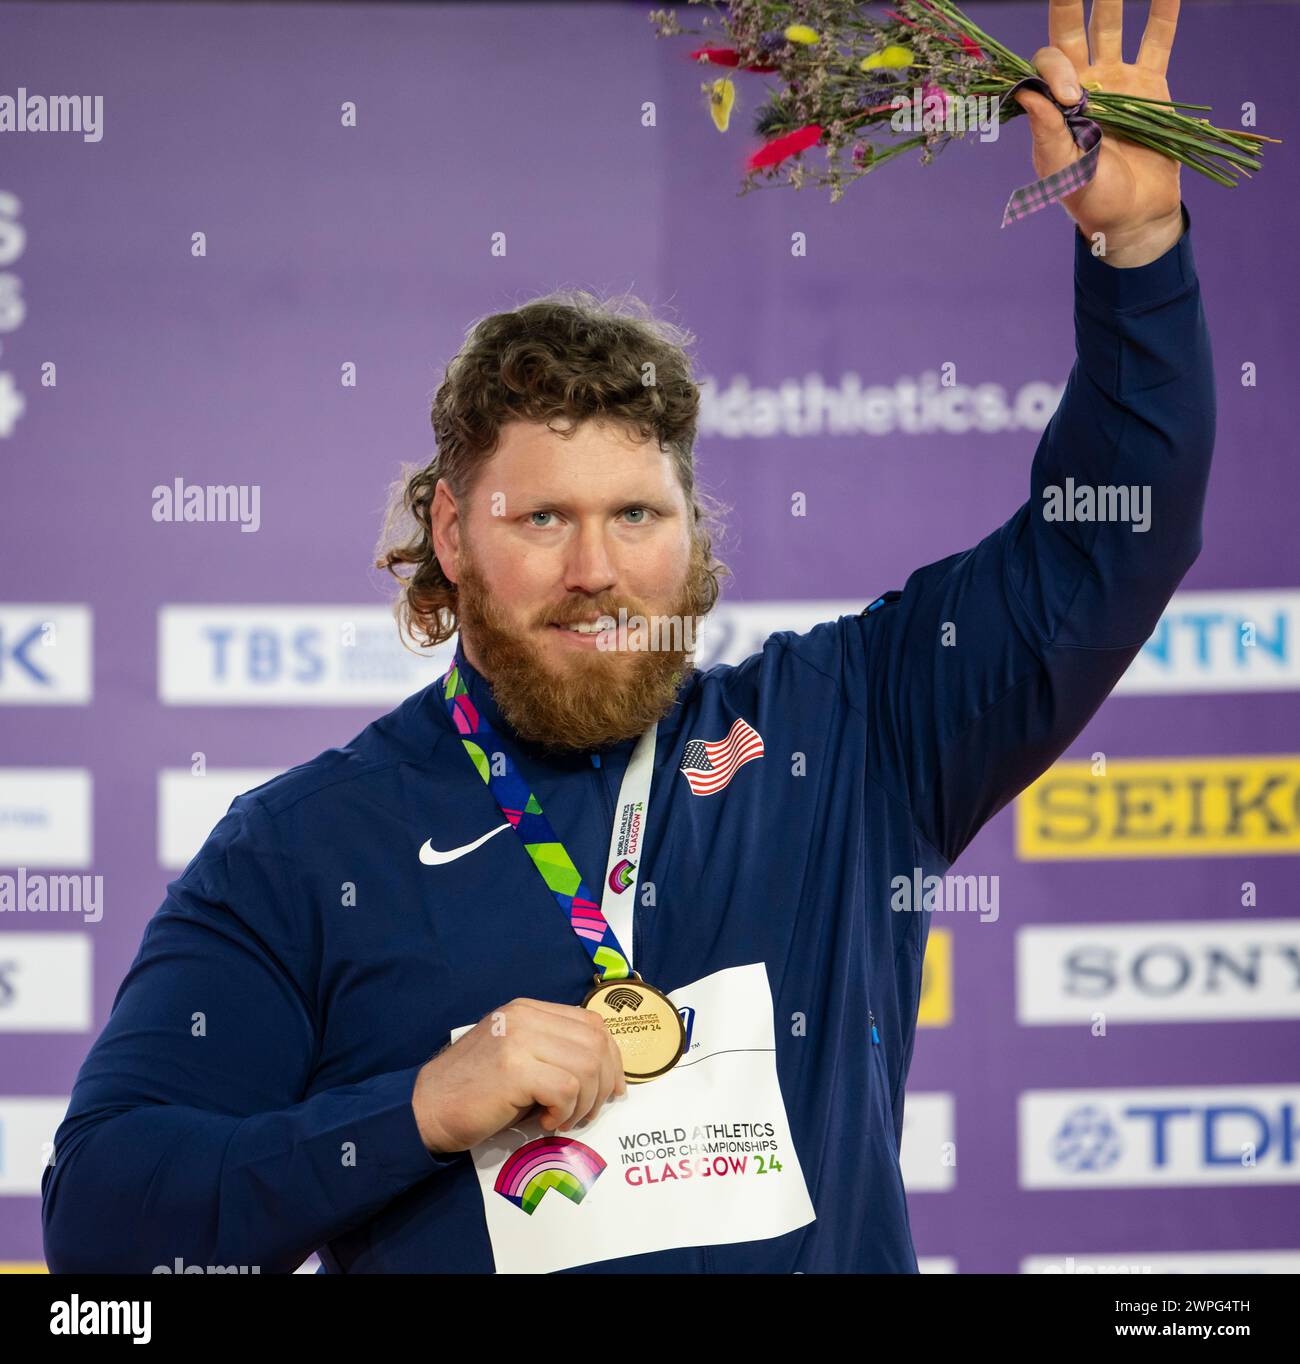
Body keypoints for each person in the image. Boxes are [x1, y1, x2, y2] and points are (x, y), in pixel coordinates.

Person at [42, 0, 1213, 1273]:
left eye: (635, 514)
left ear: (691, 532)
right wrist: (415, 1110)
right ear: (450, 531)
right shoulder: (301, 845)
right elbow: (108, 1223)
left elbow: (1107, 545)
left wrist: (1140, 252)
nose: (595, 570)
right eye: (541, 515)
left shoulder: (849, 728)